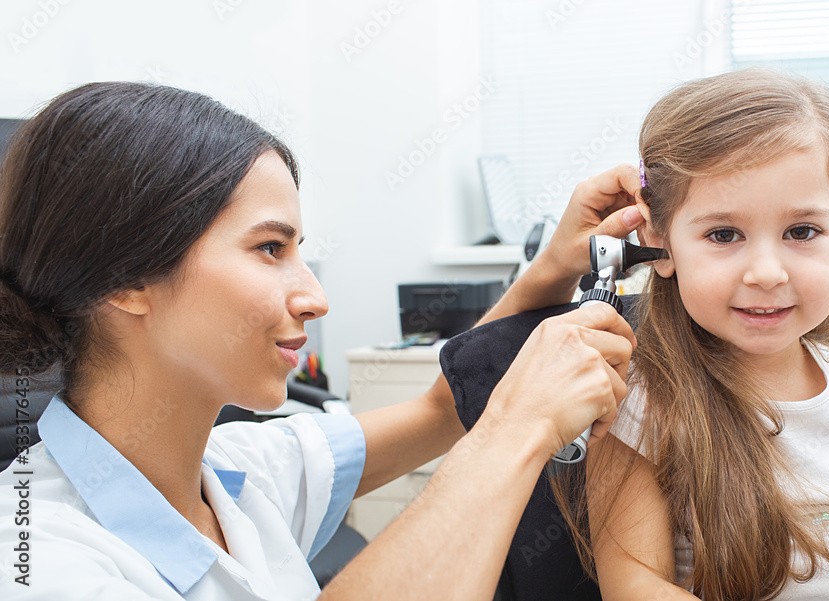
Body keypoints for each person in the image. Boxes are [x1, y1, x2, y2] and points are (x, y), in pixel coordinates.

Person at [0, 81, 644, 600]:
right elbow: (483, 416)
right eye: (269, 248)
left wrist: (555, 268)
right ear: (125, 278)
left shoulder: (243, 469)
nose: (316, 297)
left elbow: (442, 410)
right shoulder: (38, 559)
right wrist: (517, 428)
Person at [564, 69, 829, 601]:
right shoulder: (636, 403)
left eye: (801, 232)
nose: (767, 272)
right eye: (724, 234)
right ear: (659, 243)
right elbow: (636, 585)